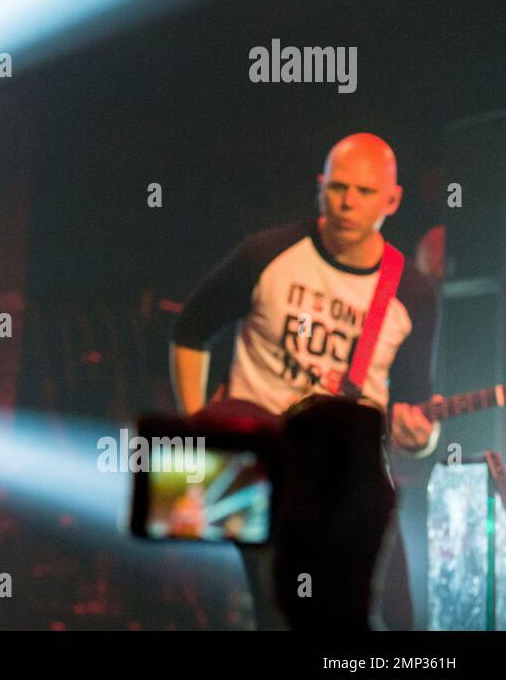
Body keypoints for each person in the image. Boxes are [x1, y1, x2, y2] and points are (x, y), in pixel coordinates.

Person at [169, 133, 440, 629]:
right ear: (320, 188)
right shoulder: (265, 254)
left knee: (390, 615)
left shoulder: (413, 293)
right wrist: (201, 432)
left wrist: (423, 438)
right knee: (278, 613)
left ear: (392, 199)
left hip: (349, 473)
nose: (347, 203)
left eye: (362, 191)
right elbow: (190, 330)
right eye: (337, 188)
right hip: (263, 457)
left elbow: (413, 411)